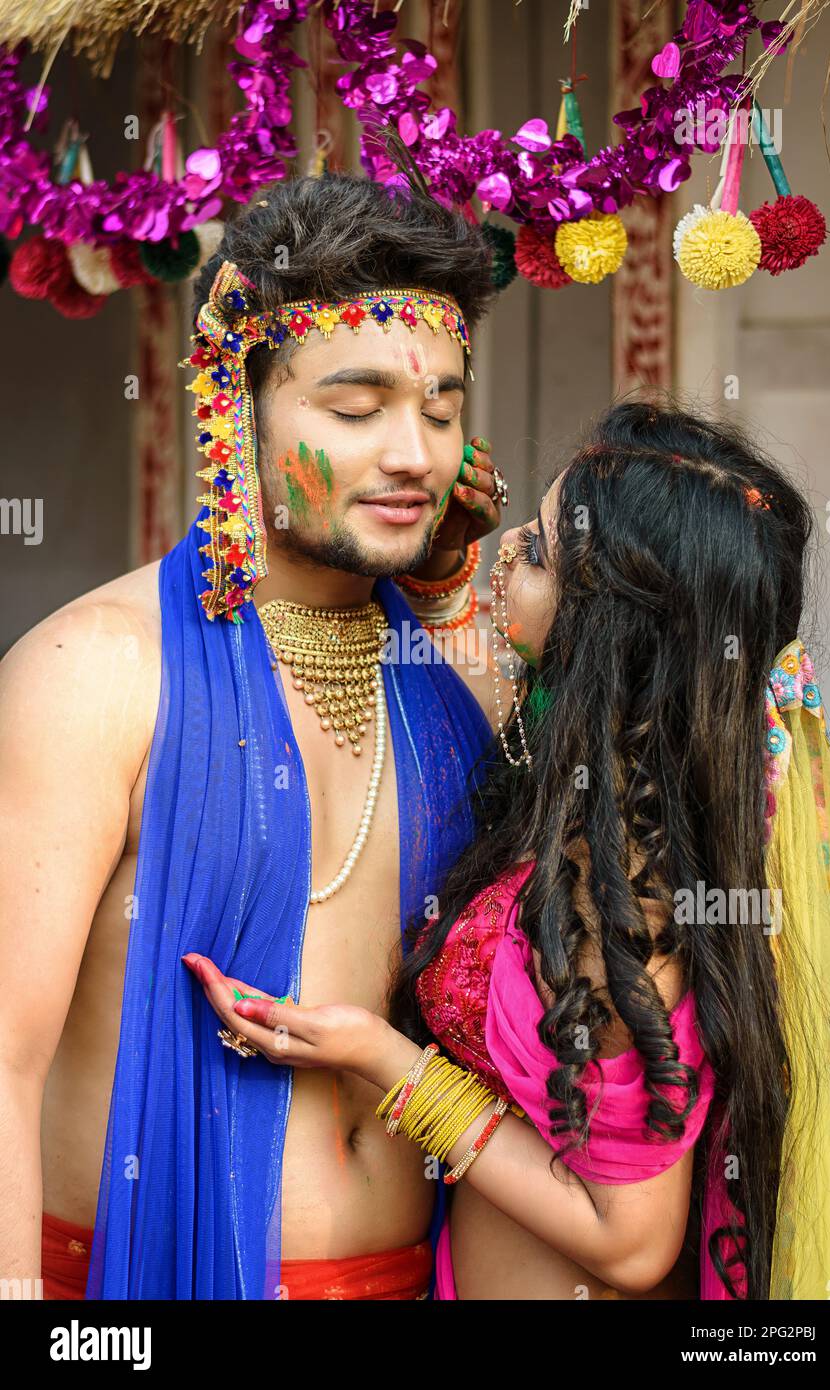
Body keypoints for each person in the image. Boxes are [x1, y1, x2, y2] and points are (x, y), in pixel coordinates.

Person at [213, 401, 830, 1300]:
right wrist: (441, 572)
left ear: (605, 633)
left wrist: (380, 1059)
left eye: (539, 554)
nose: (507, 545)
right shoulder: (602, 801)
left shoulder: (627, 885)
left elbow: (630, 1238)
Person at [0, 165, 509, 1299]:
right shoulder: (99, 673)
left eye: (440, 408)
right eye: (354, 405)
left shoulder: (454, 687)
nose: (413, 456)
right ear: (235, 406)